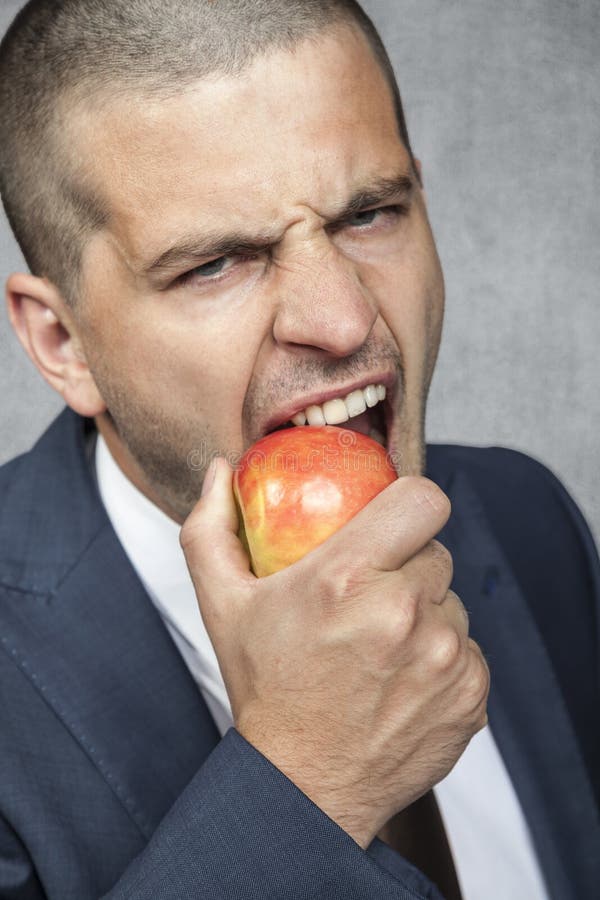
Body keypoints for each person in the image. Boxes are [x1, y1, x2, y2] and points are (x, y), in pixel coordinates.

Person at [0, 1, 598, 898]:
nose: (344, 317)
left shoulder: (526, 513)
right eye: (215, 264)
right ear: (63, 344)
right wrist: (307, 784)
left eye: (369, 213)